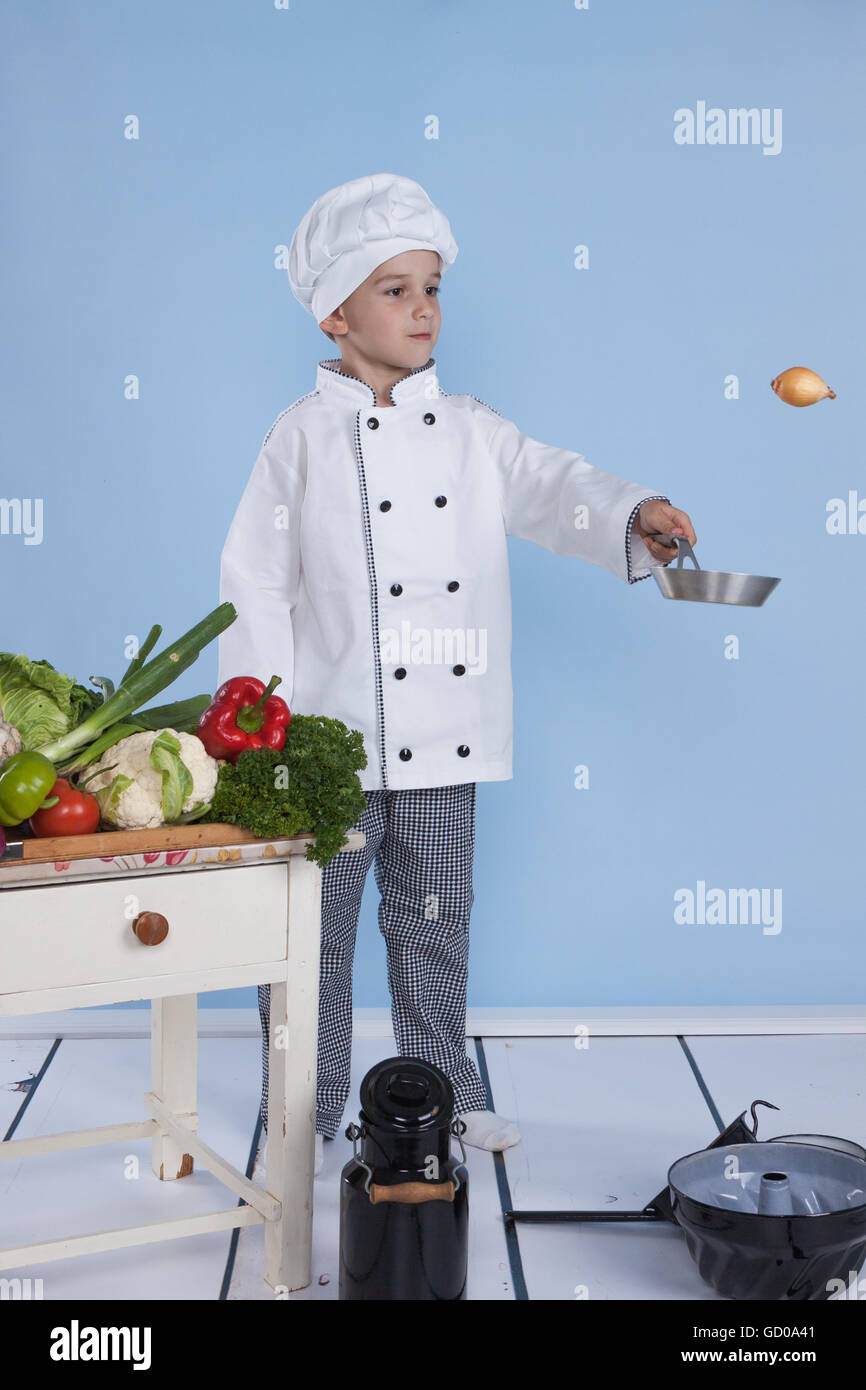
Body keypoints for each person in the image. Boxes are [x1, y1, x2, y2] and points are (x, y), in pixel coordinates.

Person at [217, 172, 696, 1175]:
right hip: (326, 746)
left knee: (433, 923)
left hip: (443, 739)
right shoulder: (296, 438)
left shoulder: (475, 430)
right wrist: (256, 732)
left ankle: (440, 1086)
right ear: (335, 312)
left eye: (431, 286)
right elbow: (255, 586)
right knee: (309, 942)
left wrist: (629, 513)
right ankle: (298, 1104)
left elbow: (554, 484)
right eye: (393, 289)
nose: (423, 307)